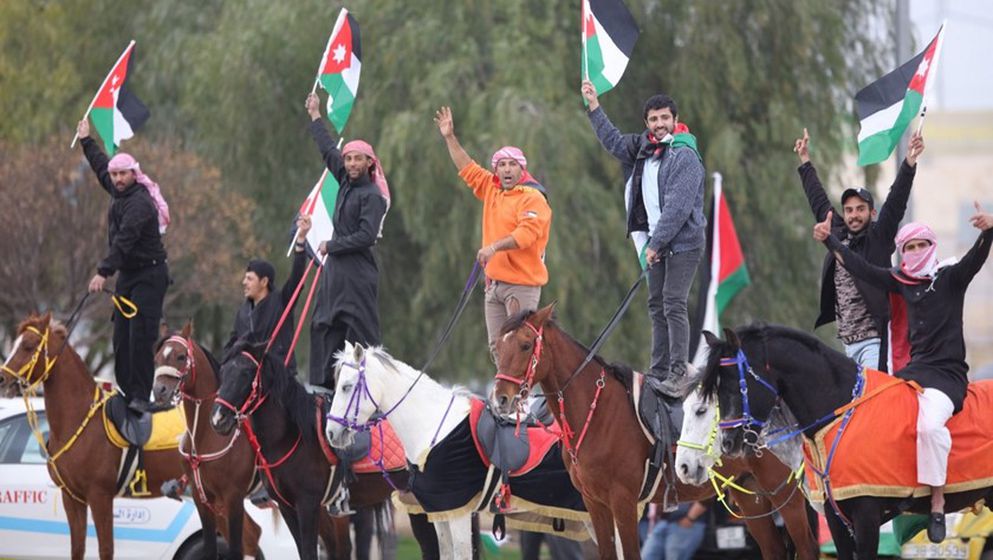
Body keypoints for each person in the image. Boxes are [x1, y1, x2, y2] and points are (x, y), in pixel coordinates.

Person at [814, 204, 993, 543]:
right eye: (909, 247)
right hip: (913, 373)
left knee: (928, 426)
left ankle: (937, 502)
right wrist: (828, 241)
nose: (915, 251)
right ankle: (886, 491)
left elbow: (977, 257)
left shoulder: (951, 277)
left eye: (921, 245)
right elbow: (861, 268)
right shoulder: (903, 281)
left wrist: (988, 230)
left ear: (932, 246)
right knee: (876, 416)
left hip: (947, 376)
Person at [581, 80, 705, 397]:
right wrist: (594, 106)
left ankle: (679, 371)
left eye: (664, 118)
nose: (659, 124)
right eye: (653, 119)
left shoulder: (685, 155)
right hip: (656, 242)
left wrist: (656, 244)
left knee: (673, 302)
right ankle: (658, 371)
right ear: (646, 123)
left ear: (675, 120)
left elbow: (678, 208)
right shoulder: (643, 147)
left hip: (683, 243)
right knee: (655, 305)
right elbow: (613, 142)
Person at [794, 128, 924, 371]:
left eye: (860, 209)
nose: (854, 215)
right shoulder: (837, 233)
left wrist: (909, 161)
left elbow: (896, 199)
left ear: (872, 213)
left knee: (871, 392)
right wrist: (805, 160)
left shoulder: (879, 236)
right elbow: (818, 201)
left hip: (875, 342)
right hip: (847, 345)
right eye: (849, 210)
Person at [434, 106, 552, 364]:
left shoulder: (533, 197)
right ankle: (507, 393)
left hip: (521, 284)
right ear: (496, 170)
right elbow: (467, 168)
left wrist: (493, 248)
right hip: (494, 285)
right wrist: (449, 137)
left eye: (512, 165)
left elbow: (526, 234)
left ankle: (533, 391)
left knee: (521, 348)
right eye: (502, 165)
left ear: (522, 170)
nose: (507, 170)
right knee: (497, 349)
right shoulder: (492, 188)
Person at [77, 119, 170, 414]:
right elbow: (100, 166)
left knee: (140, 336)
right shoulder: (118, 190)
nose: (117, 179)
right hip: (129, 275)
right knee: (120, 338)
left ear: (133, 174)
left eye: (122, 174)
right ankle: (127, 393)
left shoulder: (140, 204)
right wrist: (86, 140)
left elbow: (124, 241)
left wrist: (103, 272)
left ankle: (141, 396)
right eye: (115, 174)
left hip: (150, 274)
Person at [304, 92, 389, 389]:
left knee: (361, 339)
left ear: (369, 163)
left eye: (357, 159)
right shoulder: (344, 180)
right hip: (335, 274)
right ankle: (323, 391)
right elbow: (328, 149)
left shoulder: (372, 196)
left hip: (357, 276)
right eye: (349, 158)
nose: (351, 163)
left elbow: (366, 236)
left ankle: (373, 393)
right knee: (323, 326)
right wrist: (315, 115)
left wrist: (331, 245)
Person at [223, 215, 311, 373]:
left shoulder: (282, 302)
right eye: (245, 278)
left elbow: (297, 277)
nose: (244, 282)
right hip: (249, 378)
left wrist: (301, 240)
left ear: (264, 282)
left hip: (279, 376)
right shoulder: (242, 312)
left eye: (250, 279)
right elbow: (232, 344)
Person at [640, 501, 708, 559]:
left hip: (686, 522)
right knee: (647, 556)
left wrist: (690, 518)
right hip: (663, 521)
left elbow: (707, 496)